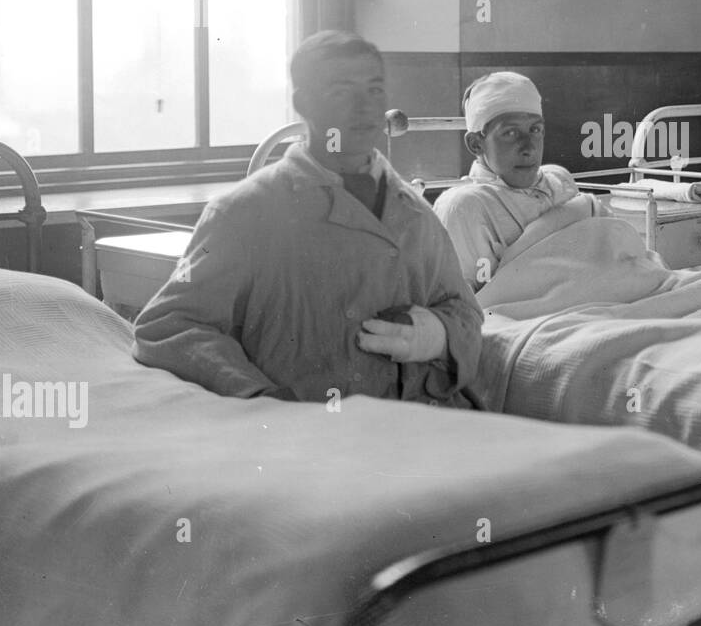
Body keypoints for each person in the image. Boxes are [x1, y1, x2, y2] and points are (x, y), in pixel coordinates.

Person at [133, 31, 483, 405]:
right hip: (306, 435)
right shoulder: (248, 212)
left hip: (413, 428)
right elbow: (168, 324)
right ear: (304, 103)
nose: (365, 108)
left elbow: (464, 314)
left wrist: (432, 335)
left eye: (375, 90)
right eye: (341, 92)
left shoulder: (414, 215)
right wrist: (259, 396)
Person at [433, 71, 605, 289]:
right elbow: (468, 303)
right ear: (476, 144)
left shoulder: (559, 182)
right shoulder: (465, 207)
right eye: (511, 133)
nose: (529, 148)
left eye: (535, 130)